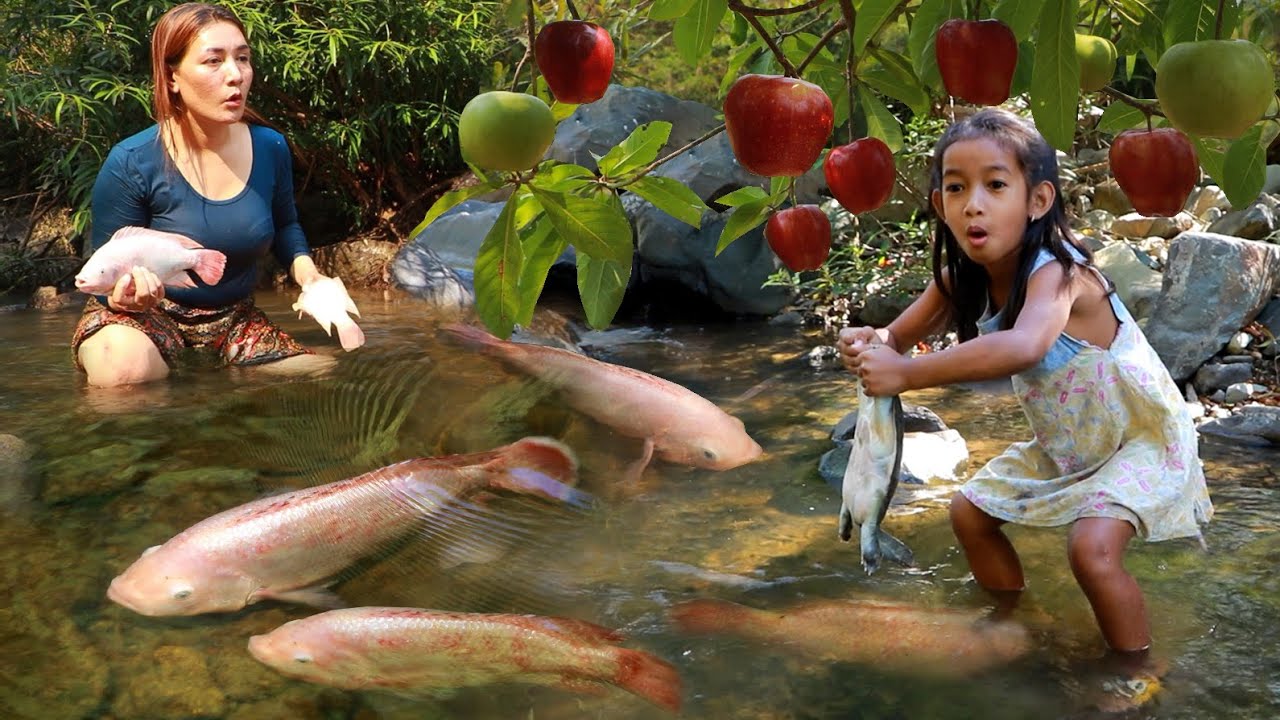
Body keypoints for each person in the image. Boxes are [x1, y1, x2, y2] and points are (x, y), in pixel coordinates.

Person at [837, 108, 1212, 704]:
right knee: (969, 513)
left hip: (1139, 440)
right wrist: (868, 342)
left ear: (1037, 200)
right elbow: (895, 338)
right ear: (938, 205)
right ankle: (1015, 620)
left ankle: (1137, 667)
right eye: (956, 188)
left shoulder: (1060, 273)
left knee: (1091, 551)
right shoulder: (961, 276)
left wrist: (906, 374)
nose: (973, 205)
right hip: (1069, 443)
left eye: (995, 185)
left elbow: (1024, 345)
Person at [73, 2, 353, 388]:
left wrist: (310, 276)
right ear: (172, 77)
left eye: (243, 58)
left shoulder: (270, 147)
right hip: (141, 319)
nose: (235, 75)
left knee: (323, 376)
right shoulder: (131, 162)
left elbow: (286, 224)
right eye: (214, 61)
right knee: (124, 371)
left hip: (233, 320)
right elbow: (104, 272)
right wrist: (121, 300)